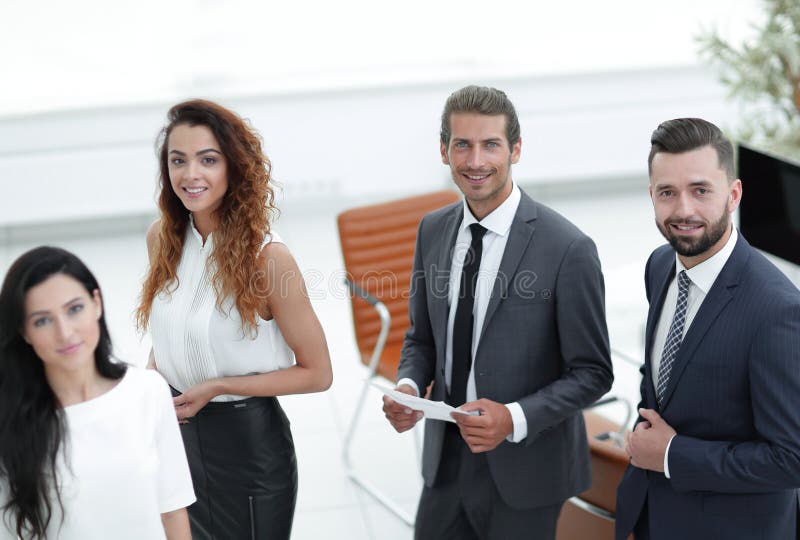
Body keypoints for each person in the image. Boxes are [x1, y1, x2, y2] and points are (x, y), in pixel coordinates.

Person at [382, 85, 614, 539]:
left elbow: (592, 372)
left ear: (516, 149)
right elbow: (422, 337)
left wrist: (514, 417)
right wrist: (408, 386)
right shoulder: (432, 230)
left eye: (491, 144)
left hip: (527, 471)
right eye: (462, 145)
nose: (475, 161)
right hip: (445, 463)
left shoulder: (569, 249)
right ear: (444, 151)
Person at [136, 99, 332, 540]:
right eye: (178, 160)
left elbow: (318, 374)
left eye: (208, 159)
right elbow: (169, 336)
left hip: (248, 452)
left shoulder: (270, 259)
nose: (191, 175)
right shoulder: (162, 239)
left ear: (234, 167)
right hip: (179, 441)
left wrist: (221, 386)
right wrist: (148, 391)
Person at [615, 118, 800, 539]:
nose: (683, 210)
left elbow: (791, 458)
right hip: (650, 517)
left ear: (733, 194)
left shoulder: (778, 310)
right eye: (668, 193)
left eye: (701, 190)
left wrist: (672, 455)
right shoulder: (660, 265)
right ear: (652, 196)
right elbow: (662, 375)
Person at [0, 246, 194, 540]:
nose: (64, 332)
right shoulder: (10, 422)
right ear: (24, 332)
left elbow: (172, 511)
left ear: (97, 303)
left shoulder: (148, 391)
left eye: (74, 309)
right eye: (42, 320)